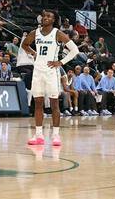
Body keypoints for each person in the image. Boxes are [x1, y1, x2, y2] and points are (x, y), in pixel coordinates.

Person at [20, 10, 80, 146]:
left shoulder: (57, 33)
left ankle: (56, 135)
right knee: (38, 103)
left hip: (52, 72)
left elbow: (75, 50)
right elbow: (24, 44)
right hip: (38, 72)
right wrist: (33, 53)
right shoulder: (35, 32)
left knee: (54, 104)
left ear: (53, 20)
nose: (45, 18)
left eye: (49, 16)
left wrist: (61, 62)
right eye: (44, 16)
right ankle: (38, 135)